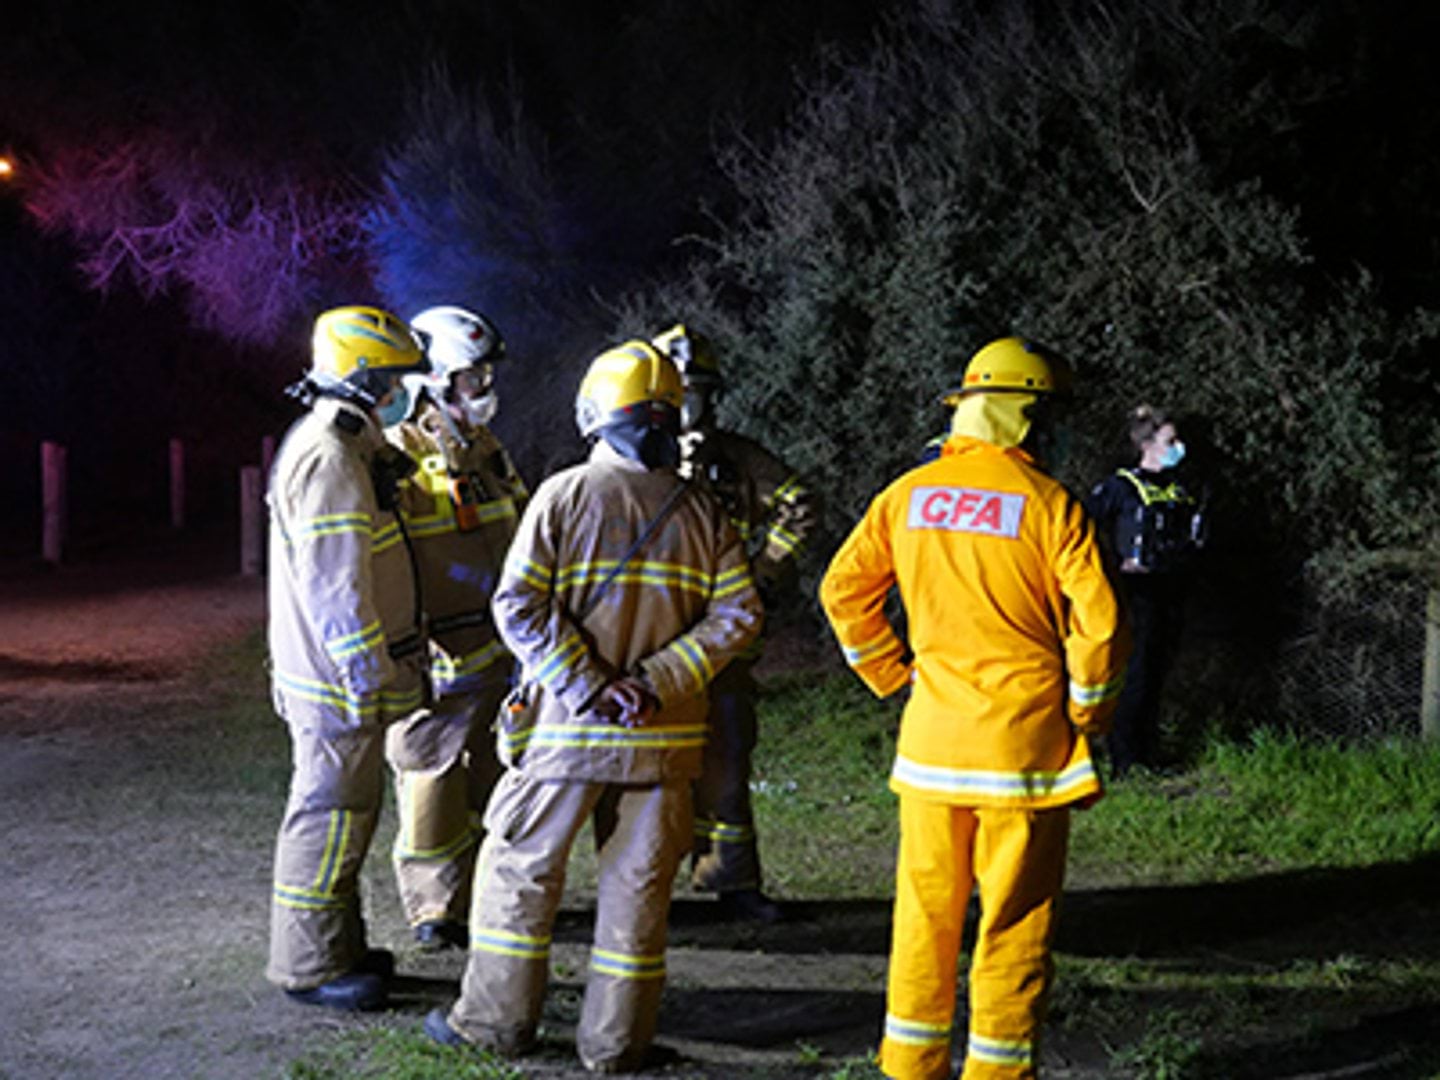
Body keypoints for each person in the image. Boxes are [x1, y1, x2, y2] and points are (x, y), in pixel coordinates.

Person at [424, 340, 763, 1073]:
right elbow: (738, 618)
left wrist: (591, 685)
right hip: (664, 740)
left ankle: (493, 1024)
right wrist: (657, 682)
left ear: (597, 413)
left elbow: (517, 605)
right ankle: (618, 1044)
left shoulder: (564, 495)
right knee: (640, 893)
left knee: (521, 875)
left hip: (566, 733)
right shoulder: (703, 511)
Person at [819, 336, 1128, 1080]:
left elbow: (841, 593)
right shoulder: (1052, 506)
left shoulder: (908, 494)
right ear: (1026, 417)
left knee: (924, 915)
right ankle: (997, 1071)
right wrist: (1087, 714)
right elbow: (1102, 626)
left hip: (931, 748)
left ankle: (909, 1066)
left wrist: (894, 676)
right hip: (1024, 755)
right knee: (1014, 921)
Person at [265, 305, 432, 1010]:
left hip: (334, 676)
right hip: (336, 683)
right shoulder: (331, 458)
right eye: (396, 380)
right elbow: (336, 586)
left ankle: (341, 948)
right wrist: (368, 674)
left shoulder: (350, 446)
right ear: (365, 378)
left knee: (350, 817)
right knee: (328, 815)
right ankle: (307, 969)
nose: (408, 395)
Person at [650, 323, 818, 923]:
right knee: (658, 768)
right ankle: (654, 886)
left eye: (699, 391)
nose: (691, 404)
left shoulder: (739, 459)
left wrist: (763, 573)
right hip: (657, 645)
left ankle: (732, 881)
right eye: (679, 390)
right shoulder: (632, 464)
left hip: (725, 642)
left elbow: (800, 505)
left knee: (728, 754)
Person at [381, 305, 528, 950]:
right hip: (438, 651)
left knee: (493, 772)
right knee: (429, 776)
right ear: (433, 380)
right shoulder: (396, 457)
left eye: (488, 376)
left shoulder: (487, 450)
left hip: (497, 646)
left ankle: (480, 892)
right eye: (473, 379)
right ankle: (434, 910)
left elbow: (519, 528)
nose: (486, 391)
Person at [1084, 405, 1204, 777]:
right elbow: (1081, 524)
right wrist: (1106, 568)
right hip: (1136, 590)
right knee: (1135, 673)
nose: (1178, 447)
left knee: (1158, 671)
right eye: (1170, 440)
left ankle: (1148, 753)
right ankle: (1124, 759)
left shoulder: (1180, 487)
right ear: (1146, 444)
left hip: (1172, 587)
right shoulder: (1121, 487)